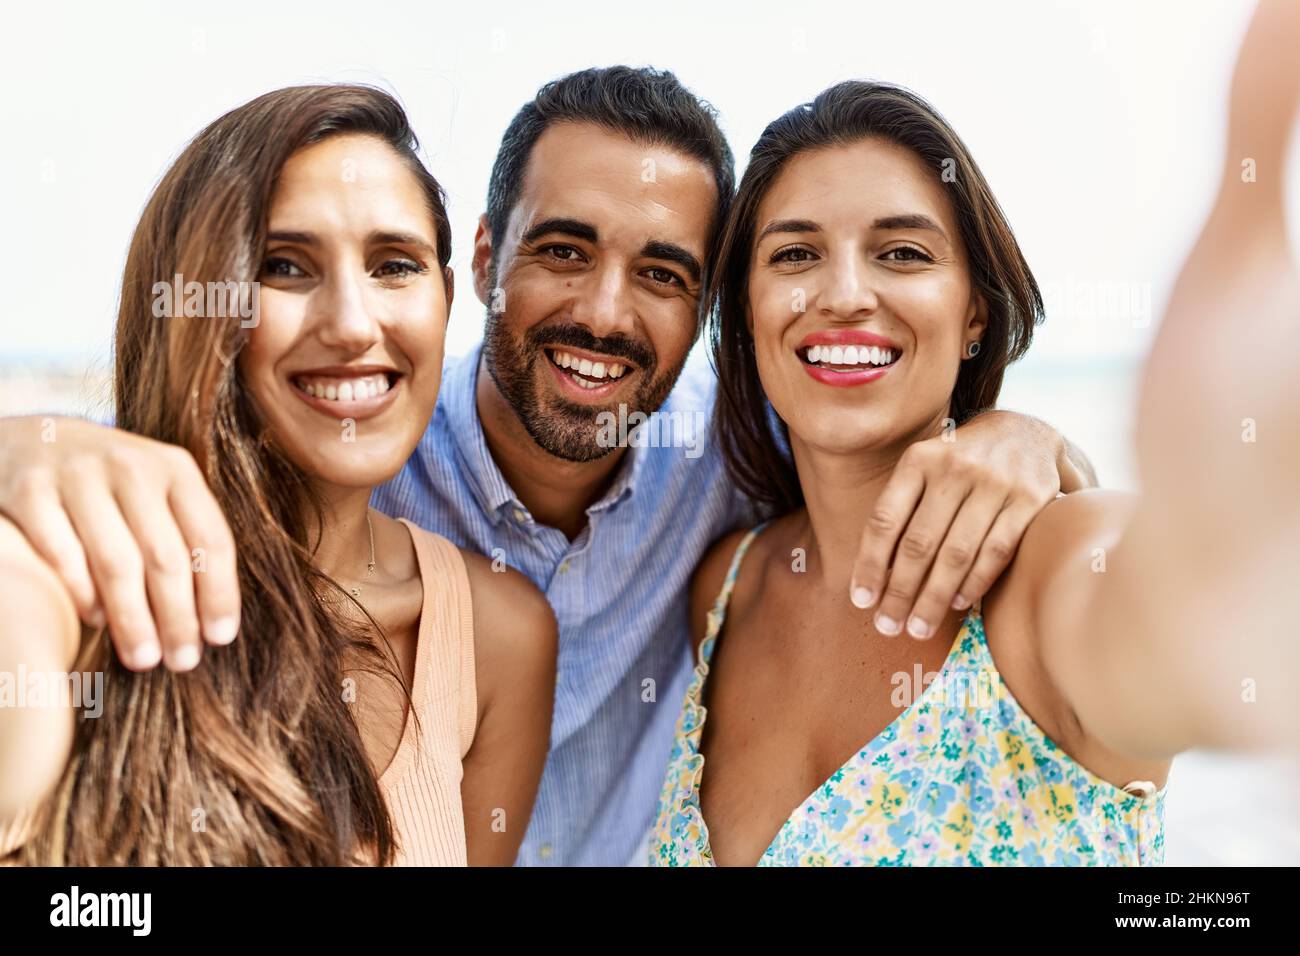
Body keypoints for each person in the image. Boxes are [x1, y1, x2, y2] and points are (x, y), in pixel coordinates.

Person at [0, 68, 1098, 866]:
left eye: (663, 272)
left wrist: (1019, 435)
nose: (605, 313)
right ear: (481, 261)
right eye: (562, 249)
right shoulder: (357, 432)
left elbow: (867, 420)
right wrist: (21, 444)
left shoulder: (726, 478)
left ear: (705, 308)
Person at [651, 0, 1300, 866]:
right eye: (796, 254)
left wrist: (1233, 467)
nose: (843, 292)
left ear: (974, 319)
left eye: (903, 253)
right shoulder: (725, 589)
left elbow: (1190, 633)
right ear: (744, 313)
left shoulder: (1049, 568)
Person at [0, 85, 557, 865]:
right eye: (284, 266)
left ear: (447, 294)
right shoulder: (78, 574)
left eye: (395, 265)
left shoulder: (500, 636)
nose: (355, 323)